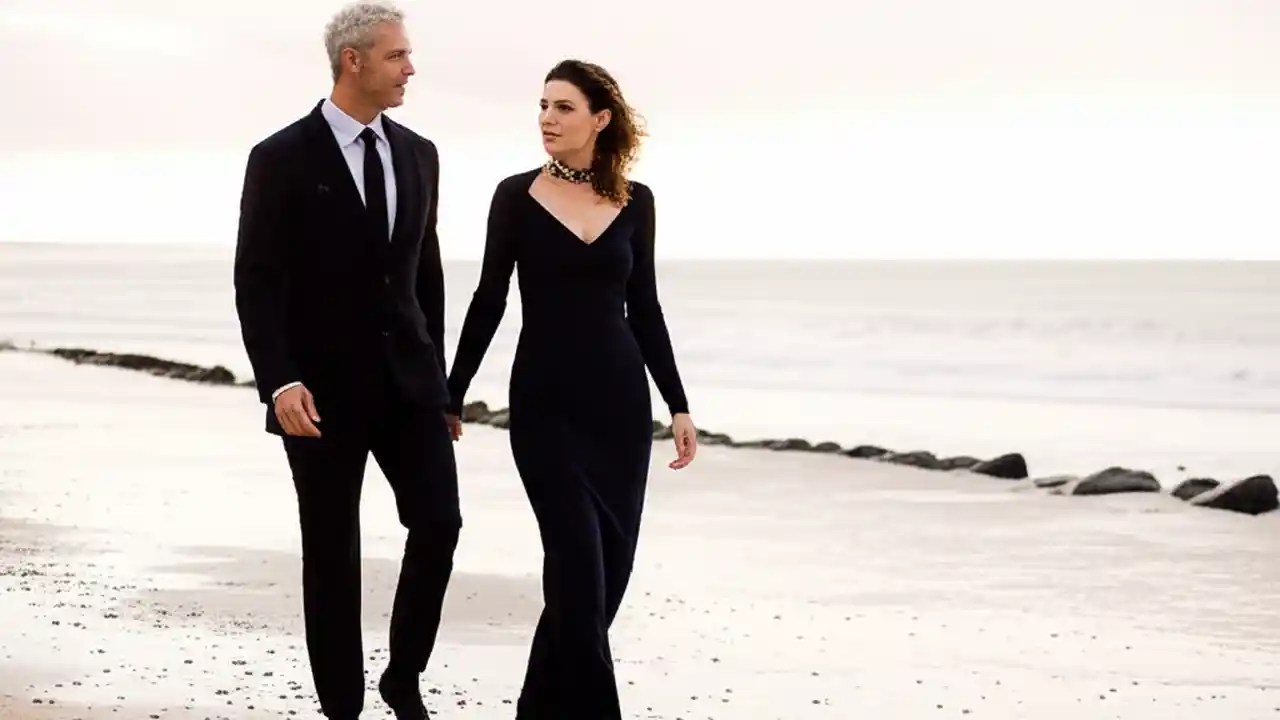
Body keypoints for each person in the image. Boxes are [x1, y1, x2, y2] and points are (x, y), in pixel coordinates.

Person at [444, 59, 698, 719]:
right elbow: (489, 300)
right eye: (542, 106)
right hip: (545, 408)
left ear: (600, 119)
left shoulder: (637, 202)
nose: (547, 119)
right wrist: (453, 392)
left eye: (562, 107)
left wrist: (678, 404)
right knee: (578, 576)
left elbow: (644, 308)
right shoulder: (515, 195)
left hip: (618, 410)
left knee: (603, 586)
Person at [232, 3, 457, 718]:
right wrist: (279, 381)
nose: (410, 68)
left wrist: (442, 385)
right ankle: (343, 708)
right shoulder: (280, 157)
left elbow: (427, 273)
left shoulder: (419, 152)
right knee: (332, 552)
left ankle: (403, 677)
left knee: (440, 523)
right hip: (319, 393)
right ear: (352, 61)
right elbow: (257, 279)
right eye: (397, 56)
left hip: (411, 384)